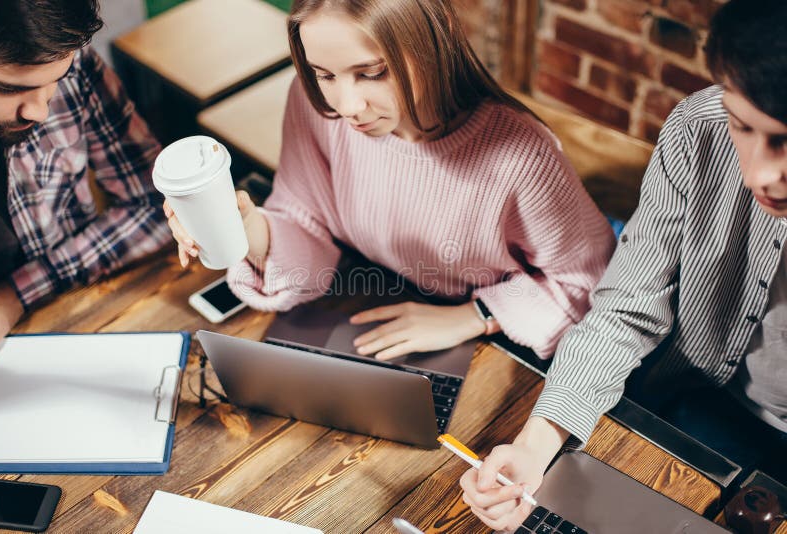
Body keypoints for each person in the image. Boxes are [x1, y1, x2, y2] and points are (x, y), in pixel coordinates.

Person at [460, 0, 787, 529]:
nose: (760, 174)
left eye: (784, 141)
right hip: (687, 403)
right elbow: (628, 310)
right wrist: (534, 444)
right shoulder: (697, 128)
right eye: (742, 127)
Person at [166, 0, 615, 361]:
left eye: (371, 73)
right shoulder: (313, 107)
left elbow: (589, 284)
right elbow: (307, 227)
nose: (347, 105)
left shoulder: (519, 153)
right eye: (324, 75)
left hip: (496, 337)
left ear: (430, 48)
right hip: (372, 296)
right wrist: (248, 230)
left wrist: (476, 314)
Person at [0, 1, 170, 360]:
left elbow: (156, 203)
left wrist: (13, 296)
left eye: (56, 80)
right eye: (9, 89)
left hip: (68, 315)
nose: (40, 112)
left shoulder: (71, 59)